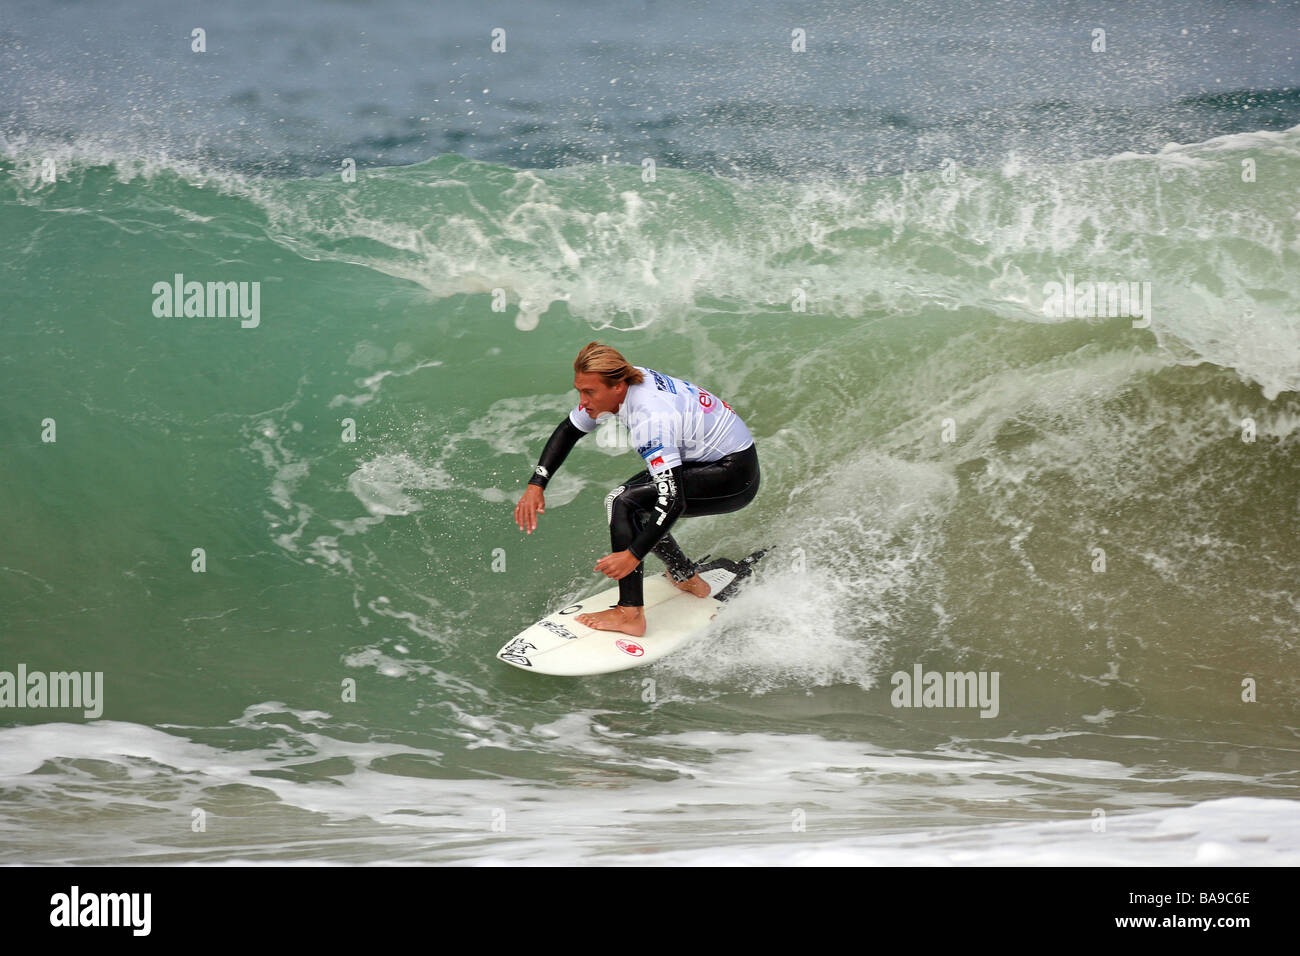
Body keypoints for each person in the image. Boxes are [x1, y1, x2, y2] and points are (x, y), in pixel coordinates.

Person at [514, 342, 760, 636]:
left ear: (617, 387)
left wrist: (632, 554)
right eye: (580, 390)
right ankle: (686, 577)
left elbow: (673, 502)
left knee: (624, 503)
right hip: (708, 459)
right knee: (627, 502)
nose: (582, 401)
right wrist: (536, 484)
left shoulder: (650, 420)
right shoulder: (629, 381)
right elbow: (570, 429)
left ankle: (630, 614)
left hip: (732, 475)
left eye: (589, 392)